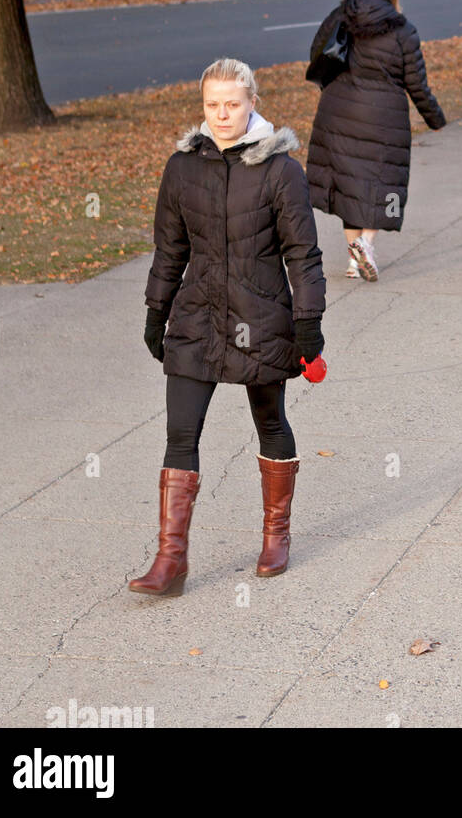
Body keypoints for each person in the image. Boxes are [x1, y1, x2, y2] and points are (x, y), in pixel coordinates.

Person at [134, 59, 326, 596]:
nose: (222, 115)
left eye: (233, 104)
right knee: (180, 432)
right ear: (203, 107)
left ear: (252, 103)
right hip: (197, 318)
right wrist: (156, 309)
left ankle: (276, 536)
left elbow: (303, 256)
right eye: (212, 105)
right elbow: (169, 249)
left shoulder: (281, 170)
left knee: (271, 423)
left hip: (261, 320)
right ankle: (171, 561)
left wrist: (308, 324)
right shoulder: (182, 167)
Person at [305, 0, 445, 280]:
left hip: (338, 111)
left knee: (348, 187)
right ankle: (366, 244)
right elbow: (417, 83)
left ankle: (355, 258)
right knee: (380, 187)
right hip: (384, 117)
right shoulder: (403, 30)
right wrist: (435, 118)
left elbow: (317, 51)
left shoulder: (340, 15)